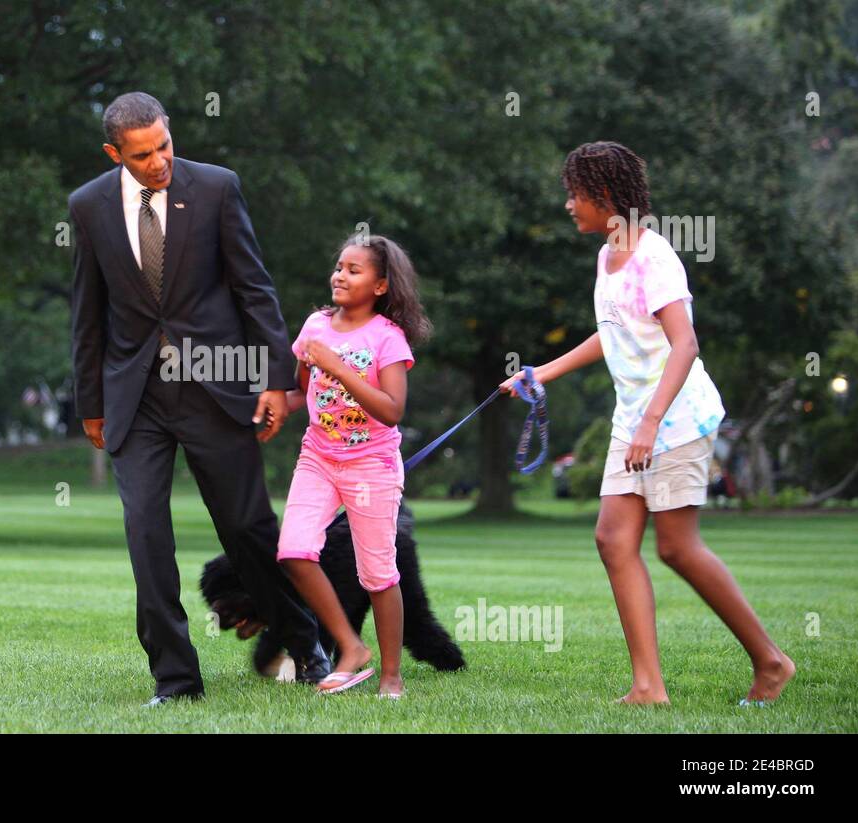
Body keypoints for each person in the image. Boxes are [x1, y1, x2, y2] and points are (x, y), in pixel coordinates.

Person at [502, 141, 795, 705]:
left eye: (574, 194)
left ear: (604, 196)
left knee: (677, 549)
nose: (568, 205)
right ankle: (647, 686)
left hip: (676, 416)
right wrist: (544, 373)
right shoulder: (607, 256)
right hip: (635, 418)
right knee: (613, 540)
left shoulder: (653, 258)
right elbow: (611, 332)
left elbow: (685, 344)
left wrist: (651, 423)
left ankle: (772, 661)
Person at [68, 92, 331, 707]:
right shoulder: (88, 206)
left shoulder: (215, 188)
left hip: (218, 385)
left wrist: (274, 380)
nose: (159, 160)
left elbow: (254, 288)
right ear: (115, 154)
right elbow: (87, 309)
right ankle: (176, 679)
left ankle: (306, 644)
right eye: (142, 154)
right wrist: (90, 403)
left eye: (163, 145)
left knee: (247, 526)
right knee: (146, 535)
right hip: (134, 397)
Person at [275, 234, 431, 698]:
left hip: (371, 467)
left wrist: (338, 367)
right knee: (294, 551)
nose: (340, 275)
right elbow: (299, 394)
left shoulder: (388, 337)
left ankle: (391, 676)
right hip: (318, 458)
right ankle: (350, 647)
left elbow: (392, 409)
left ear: (381, 285)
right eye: (339, 266)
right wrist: (267, 408)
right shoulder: (315, 326)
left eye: (354, 270)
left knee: (378, 573)